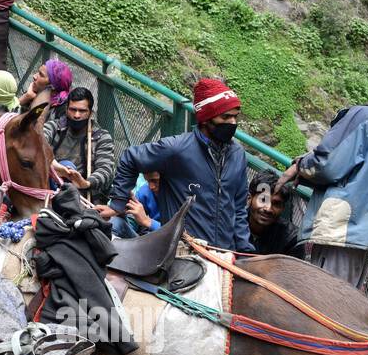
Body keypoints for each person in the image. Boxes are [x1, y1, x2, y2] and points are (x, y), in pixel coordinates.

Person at [277, 62, 368, 289]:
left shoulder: (364, 115)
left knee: (324, 303)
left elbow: (326, 164)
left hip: (340, 228)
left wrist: (299, 166)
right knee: (344, 304)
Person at [99, 78, 252, 252]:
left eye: (235, 116)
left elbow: (239, 208)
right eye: (225, 116)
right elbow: (130, 158)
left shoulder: (238, 154)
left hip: (224, 254)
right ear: (206, 118)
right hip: (181, 250)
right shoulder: (177, 149)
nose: (232, 123)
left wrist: (243, 251)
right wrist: (117, 204)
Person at [43, 86, 117, 202]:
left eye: (82, 111)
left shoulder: (101, 137)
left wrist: (86, 183)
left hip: (83, 197)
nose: (77, 115)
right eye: (73, 109)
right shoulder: (54, 127)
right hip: (48, 189)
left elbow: (106, 170)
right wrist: (54, 165)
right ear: (66, 109)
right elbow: (38, 141)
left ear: (90, 113)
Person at [247, 168, 304, 259]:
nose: (268, 208)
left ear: (283, 208)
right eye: (263, 200)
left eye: (276, 204)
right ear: (249, 199)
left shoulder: (291, 239)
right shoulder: (232, 222)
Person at [111, 171, 163, 239]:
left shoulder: (179, 194)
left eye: (155, 181)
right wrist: (122, 213)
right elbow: (131, 225)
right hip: (148, 240)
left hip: (172, 241)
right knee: (114, 222)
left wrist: (147, 221)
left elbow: (180, 233)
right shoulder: (145, 192)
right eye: (148, 181)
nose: (151, 187)